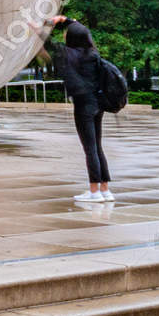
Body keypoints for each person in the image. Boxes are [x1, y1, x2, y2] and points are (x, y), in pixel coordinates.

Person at [49, 16, 114, 203]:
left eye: (66, 33)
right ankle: (105, 190)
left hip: (83, 106)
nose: (64, 35)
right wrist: (68, 20)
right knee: (97, 147)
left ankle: (94, 192)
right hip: (98, 105)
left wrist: (39, 26)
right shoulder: (93, 54)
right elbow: (82, 30)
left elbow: (46, 42)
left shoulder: (69, 55)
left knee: (90, 149)